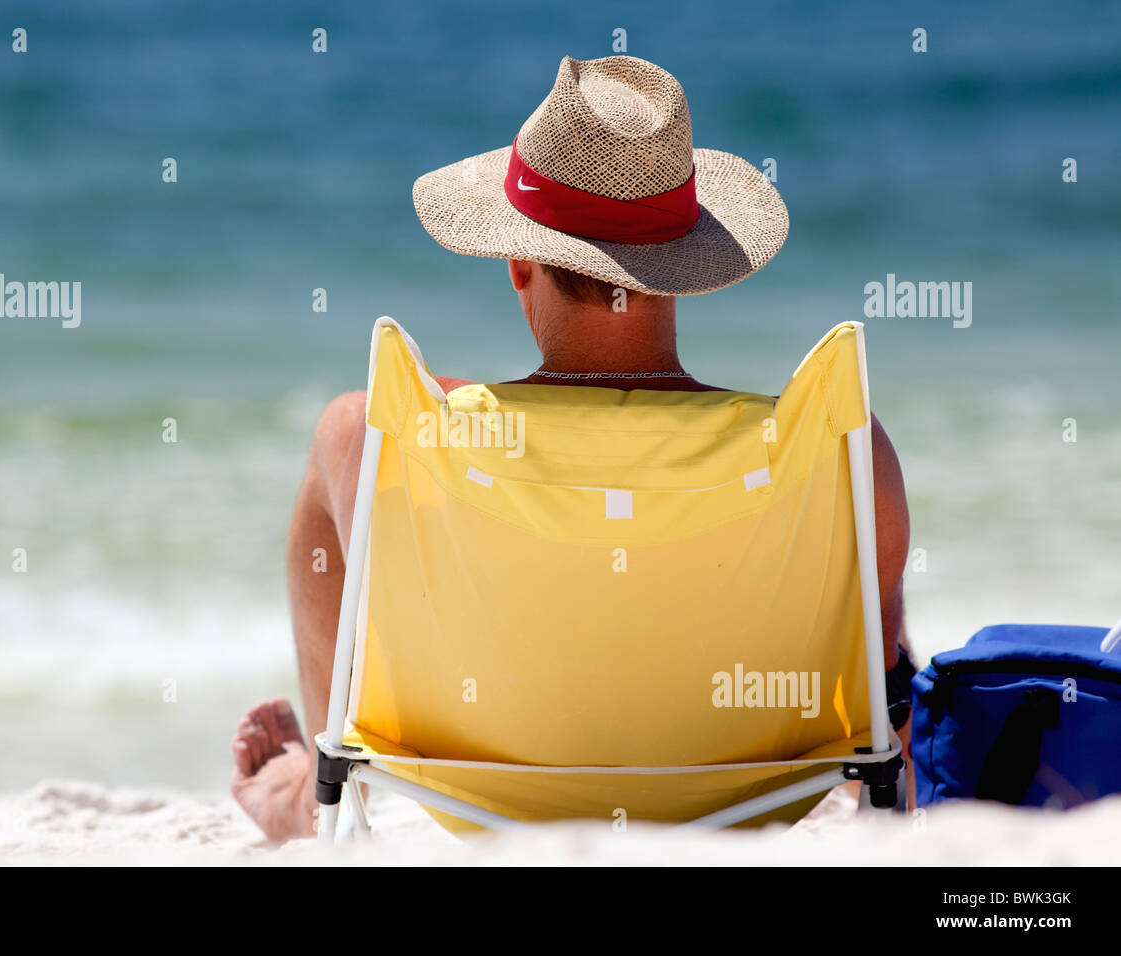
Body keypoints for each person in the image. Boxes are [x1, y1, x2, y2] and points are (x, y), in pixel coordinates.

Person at [231, 55, 914, 842]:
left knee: (346, 428)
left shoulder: (390, 441)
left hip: (473, 784)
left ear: (518, 264)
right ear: (687, 272)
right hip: (751, 794)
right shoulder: (843, 450)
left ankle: (310, 797)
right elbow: (881, 671)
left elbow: (405, 434)